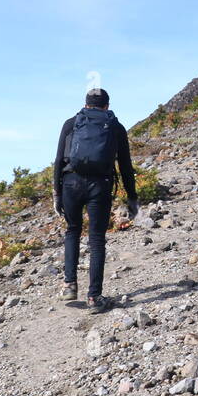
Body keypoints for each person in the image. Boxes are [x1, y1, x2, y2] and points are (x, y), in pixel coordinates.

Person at [53, 88, 138, 312]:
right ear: (106, 106)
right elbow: (126, 166)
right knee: (97, 239)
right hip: (100, 184)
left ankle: (69, 285)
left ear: (85, 104)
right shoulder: (116, 127)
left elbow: (58, 161)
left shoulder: (71, 123)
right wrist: (132, 197)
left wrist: (57, 193)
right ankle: (94, 298)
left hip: (71, 182)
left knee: (72, 230)